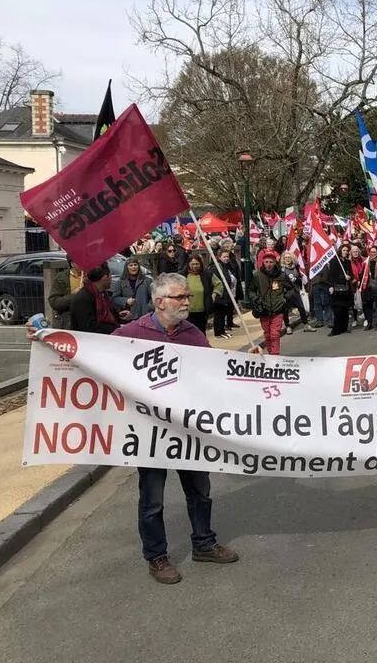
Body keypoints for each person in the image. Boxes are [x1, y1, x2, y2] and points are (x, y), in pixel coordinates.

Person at [112, 272, 240, 584]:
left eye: (187, 297)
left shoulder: (192, 333)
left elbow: (217, 369)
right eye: (180, 297)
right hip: (151, 434)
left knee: (200, 491)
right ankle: (157, 556)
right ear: (159, 302)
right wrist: (46, 338)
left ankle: (204, 543)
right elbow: (90, 353)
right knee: (152, 498)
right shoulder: (131, 333)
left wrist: (252, 363)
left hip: (188, 431)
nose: (187, 302)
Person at [251, 250, 292, 355]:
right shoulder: (257, 275)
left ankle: (275, 355)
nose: (269, 264)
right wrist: (257, 300)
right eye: (267, 262)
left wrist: (284, 299)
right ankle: (270, 353)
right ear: (263, 262)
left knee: (275, 334)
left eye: (271, 262)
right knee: (267, 334)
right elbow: (251, 291)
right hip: (264, 309)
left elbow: (292, 289)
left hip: (278, 309)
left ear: (275, 262)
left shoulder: (281, 276)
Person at [69, 263, 128, 334]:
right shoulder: (83, 298)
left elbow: (107, 316)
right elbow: (89, 327)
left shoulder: (104, 295)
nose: (111, 278)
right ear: (105, 277)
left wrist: (119, 316)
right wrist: (118, 328)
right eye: (110, 275)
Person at [278, 252, 311, 333]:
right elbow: (280, 281)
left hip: (295, 291)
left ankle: (306, 324)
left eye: (289, 257)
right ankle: (288, 326)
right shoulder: (281, 269)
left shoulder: (295, 268)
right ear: (283, 259)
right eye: (285, 258)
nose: (287, 259)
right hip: (286, 292)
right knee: (285, 310)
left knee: (301, 308)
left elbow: (300, 280)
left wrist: (297, 280)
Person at [111, 257, 154, 321]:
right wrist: (125, 301)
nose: (133, 267)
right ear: (126, 268)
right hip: (129, 316)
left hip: (145, 316)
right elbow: (115, 298)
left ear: (138, 267)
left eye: (135, 265)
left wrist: (148, 308)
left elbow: (153, 297)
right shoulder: (121, 282)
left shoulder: (147, 280)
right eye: (131, 265)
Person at [210, 246, 239, 339]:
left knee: (223, 314)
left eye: (227, 257)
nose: (226, 259)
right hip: (220, 295)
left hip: (227, 294)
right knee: (219, 314)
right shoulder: (216, 268)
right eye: (224, 257)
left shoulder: (227, 266)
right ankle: (218, 332)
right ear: (219, 257)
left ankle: (222, 330)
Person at [327, 244, 354, 337]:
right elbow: (331, 275)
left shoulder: (348, 262)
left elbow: (351, 273)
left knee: (345, 310)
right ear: (340, 251)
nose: (345, 252)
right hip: (337, 288)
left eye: (347, 250)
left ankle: (344, 328)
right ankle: (335, 330)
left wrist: (349, 277)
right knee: (337, 311)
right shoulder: (335, 261)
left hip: (346, 289)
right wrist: (331, 286)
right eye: (344, 250)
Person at [49, 260, 84, 329]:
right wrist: (73, 296)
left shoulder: (90, 276)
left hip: (85, 321)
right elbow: (54, 302)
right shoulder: (61, 278)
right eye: (80, 260)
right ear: (72, 264)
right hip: (68, 322)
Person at [184, 254, 213, 333]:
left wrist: (214, 295)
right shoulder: (183, 275)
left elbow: (218, 285)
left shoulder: (206, 274)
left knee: (201, 332)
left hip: (202, 310)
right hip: (187, 310)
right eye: (192, 264)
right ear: (188, 264)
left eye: (197, 264)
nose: (195, 266)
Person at [363, 246, 377, 331]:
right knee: (368, 305)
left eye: (374, 252)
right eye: (371, 252)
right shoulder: (366, 261)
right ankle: (369, 323)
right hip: (368, 285)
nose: (372, 254)